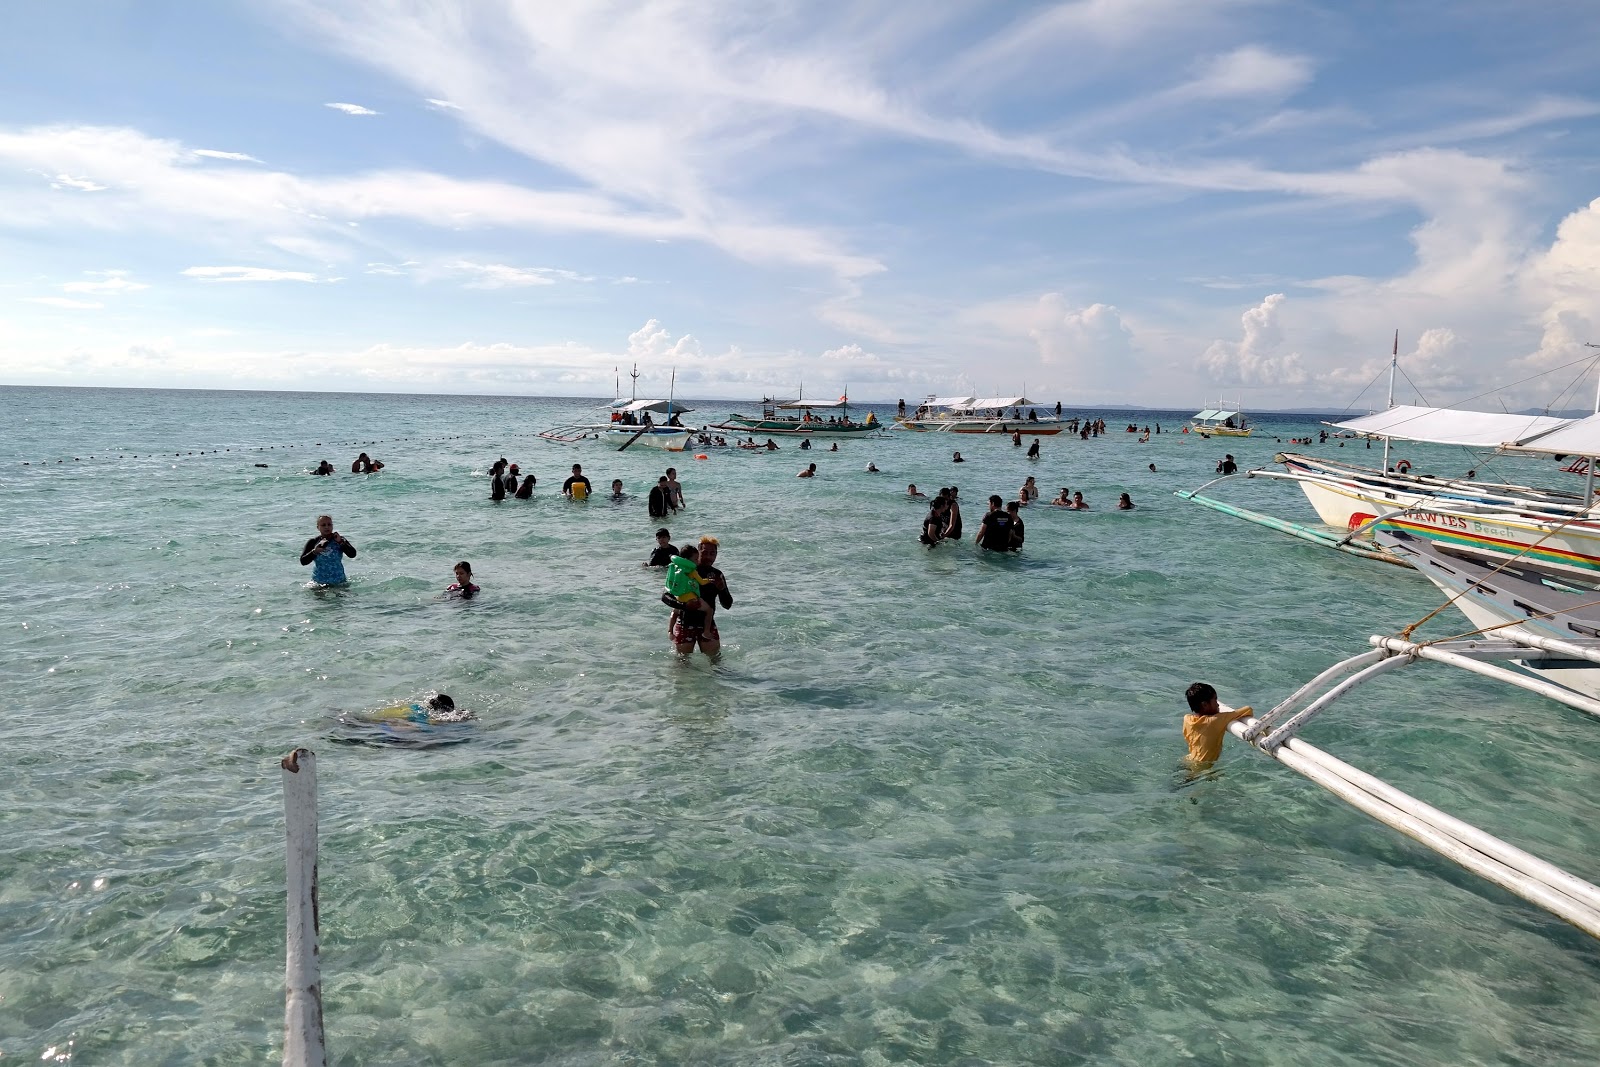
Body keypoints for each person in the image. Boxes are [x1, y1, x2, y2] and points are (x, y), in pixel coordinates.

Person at [671, 535, 732, 657]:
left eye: (713, 553)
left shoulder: (717, 575)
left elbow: (727, 605)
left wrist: (722, 589)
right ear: (698, 552)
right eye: (705, 553)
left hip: (707, 626)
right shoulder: (684, 571)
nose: (709, 557)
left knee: (716, 663)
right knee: (682, 666)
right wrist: (684, 605)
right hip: (685, 623)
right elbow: (666, 597)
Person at [1183, 682, 1253, 768]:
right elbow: (1247, 710)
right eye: (1215, 700)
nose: (1218, 704)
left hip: (1189, 760)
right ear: (1205, 705)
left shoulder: (1187, 719)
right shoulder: (1215, 721)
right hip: (1202, 768)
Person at [299, 514, 356, 586]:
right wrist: (315, 552)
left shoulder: (339, 539)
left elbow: (352, 554)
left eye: (329, 524)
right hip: (319, 582)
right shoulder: (313, 542)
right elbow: (303, 561)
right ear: (318, 527)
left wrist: (341, 542)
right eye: (323, 525)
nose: (327, 527)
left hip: (339, 581)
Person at [662, 543, 710, 612]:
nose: (698, 561)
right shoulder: (693, 571)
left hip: (680, 598)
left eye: (712, 553)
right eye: (696, 559)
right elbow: (664, 596)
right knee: (709, 610)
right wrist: (684, 606)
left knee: (675, 612)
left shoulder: (675, 568)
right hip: (690, 601)